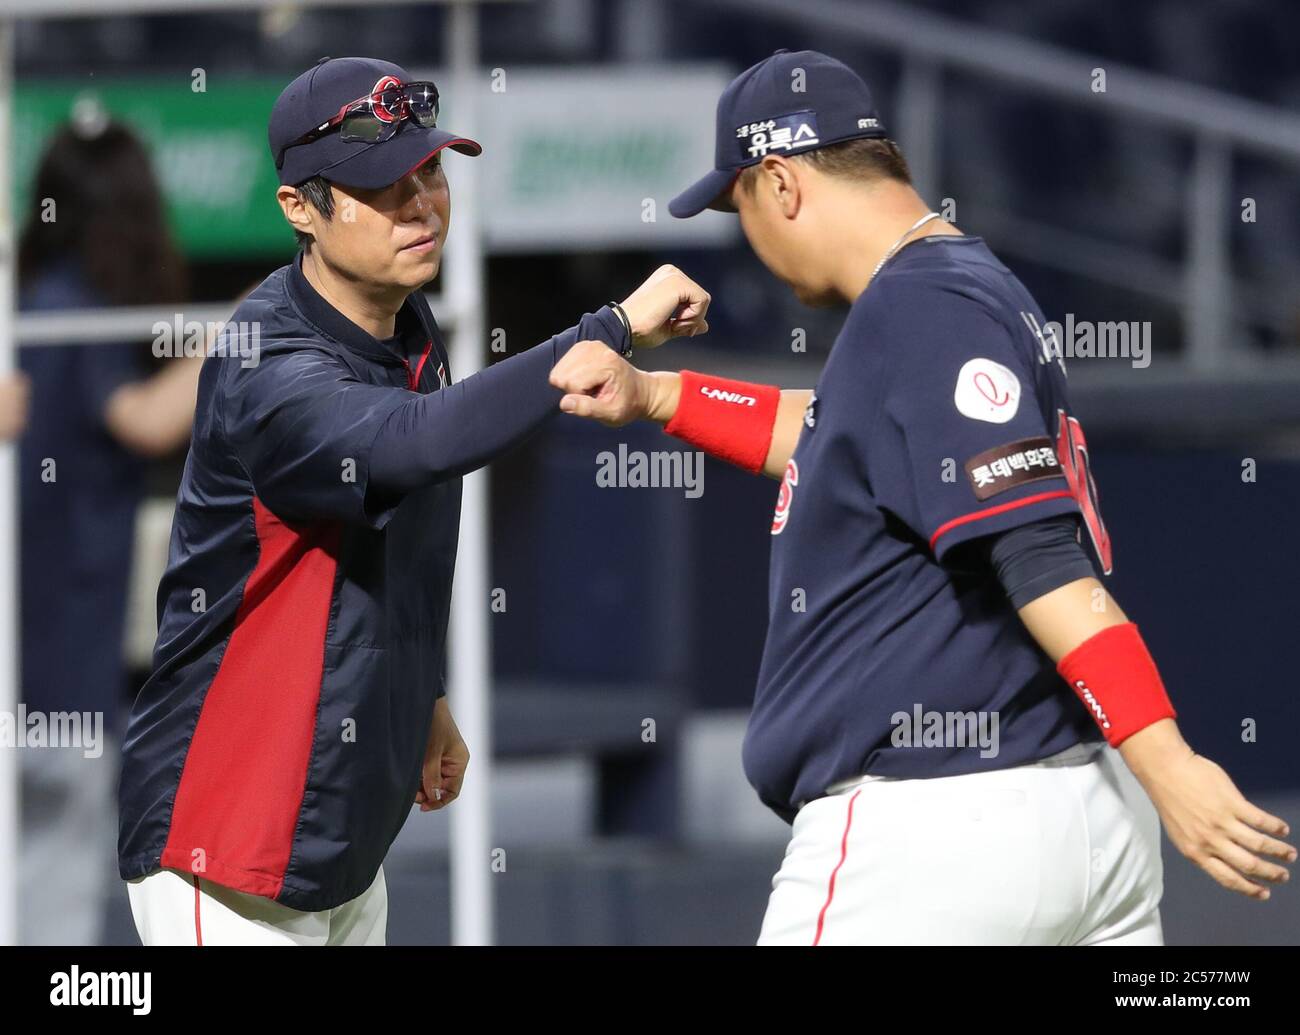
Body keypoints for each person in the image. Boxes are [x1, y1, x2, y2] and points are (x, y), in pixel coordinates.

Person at [548, 50, 1295, 945]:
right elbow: (840, 438)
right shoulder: (967, 285)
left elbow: (1040, 557)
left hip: (932, 834)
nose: (745, 233)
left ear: (781, 183)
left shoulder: (920, 310)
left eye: (738, 204)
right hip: (1083, 819)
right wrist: (660, 396)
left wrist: (1168, 759)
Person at [117, 56, 710, 946]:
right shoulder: (266, 363)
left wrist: (424, 693)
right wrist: (611, 331)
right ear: (299, 211)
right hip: (226, 836)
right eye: (380, 187)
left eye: (428, 171)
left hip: (340, 831)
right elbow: (418, 443)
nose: (421, 204)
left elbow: (413, 521)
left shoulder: (402, 321)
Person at [16, 114, 200, 946]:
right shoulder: (71, 311)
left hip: (47, 659)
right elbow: (148, 420)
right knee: (48, 903)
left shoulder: (35, 305)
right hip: (51, 670)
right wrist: (248, 332)